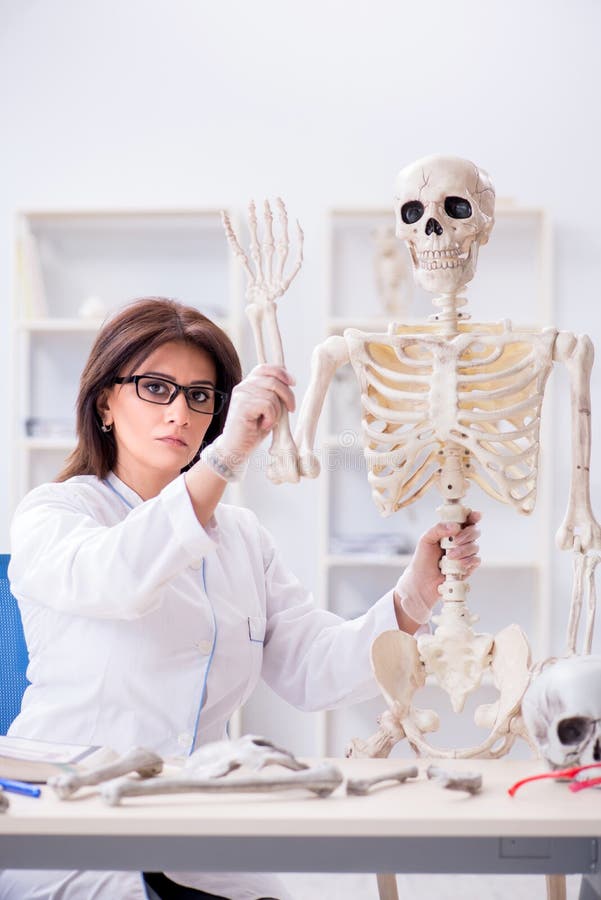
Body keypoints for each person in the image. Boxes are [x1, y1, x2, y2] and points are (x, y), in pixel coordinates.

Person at [2, 297, 481, 900]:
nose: (180, 412)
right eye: (156, 388)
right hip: (70, 820)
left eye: (200, 395)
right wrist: (225, 457)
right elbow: (119, 577)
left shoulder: (242, 538)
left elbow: (313, 670)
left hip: (196, 825)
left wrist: (415, 594)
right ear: (104, 402)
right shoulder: (55, 514)